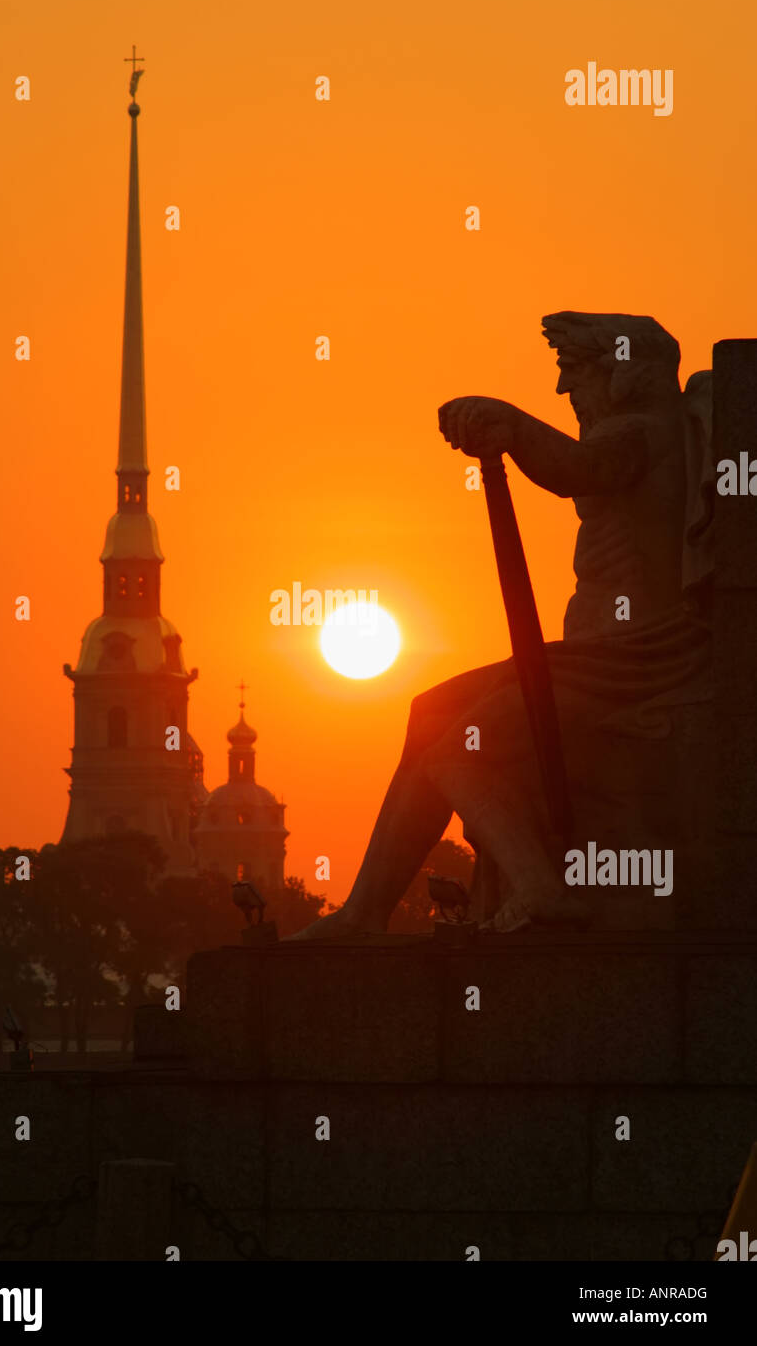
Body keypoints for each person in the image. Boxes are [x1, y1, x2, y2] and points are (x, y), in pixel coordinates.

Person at [290, 312, 713, 939]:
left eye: (572, 371)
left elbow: (578, 469)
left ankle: (543, 893)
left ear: (621, 373)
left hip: (636, 658)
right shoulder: (645, 433)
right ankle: (364, 912)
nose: (565, 391)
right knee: (429, 711)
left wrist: (511, 426)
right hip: (598, 655)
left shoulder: (642, 432)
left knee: (460, 754)